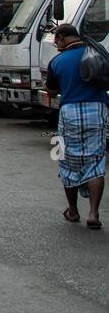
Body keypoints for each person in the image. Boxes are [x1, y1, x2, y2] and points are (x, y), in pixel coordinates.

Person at [46, 24, 108, 230]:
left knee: (64, 159)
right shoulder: (96, 53)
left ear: (63, 38)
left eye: (57, 42)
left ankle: (73, 211)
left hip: (69, 112)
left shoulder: (57, 61)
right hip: (98, 110)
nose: (57, 46)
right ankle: (93, 213)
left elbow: (52, 91)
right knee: (96, 160)